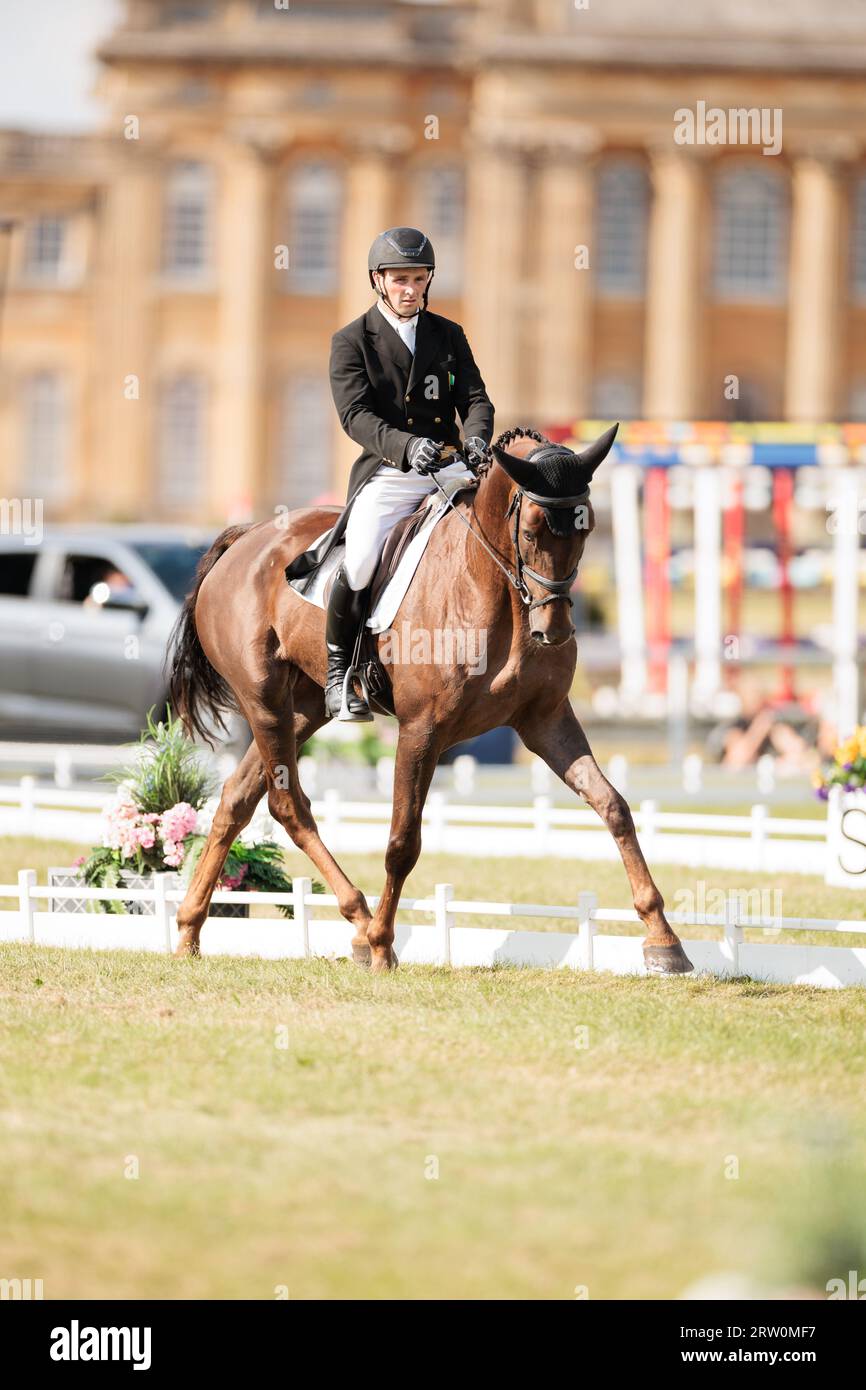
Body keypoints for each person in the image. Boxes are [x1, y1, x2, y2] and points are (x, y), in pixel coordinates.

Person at [285, 226, 494, 721]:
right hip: (389, 473)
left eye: (418, 280)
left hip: (449, 469)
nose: (410, 289)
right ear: (379, 281)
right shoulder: (351, 341)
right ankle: (341, 675)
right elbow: (355, 416)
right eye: (400, 279)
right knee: (358, 562)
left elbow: (475, 399)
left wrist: (479, 438)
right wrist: (406, 446)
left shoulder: (448, 335)